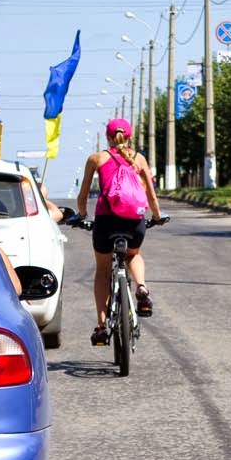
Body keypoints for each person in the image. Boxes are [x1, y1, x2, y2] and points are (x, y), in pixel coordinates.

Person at [74, 118, 162, 346]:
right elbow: (151, 196)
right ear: (130, 136)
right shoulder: (139, 159)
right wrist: (157, 216)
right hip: (134, 221)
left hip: (105, 222)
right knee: (133, 254)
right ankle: (141, 288)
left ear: (108, 137)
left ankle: (102, 325)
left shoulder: (96, 158)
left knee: (103, 270)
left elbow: (83, 195)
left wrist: (81, 215)